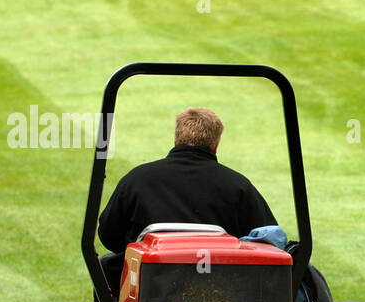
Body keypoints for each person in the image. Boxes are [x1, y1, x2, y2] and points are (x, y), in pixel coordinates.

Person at [97, 107, 277, 253]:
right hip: (221, 289)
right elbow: (267, 240)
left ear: (176, 140)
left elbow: (109, 237)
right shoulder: (239, 186)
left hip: (149, 291)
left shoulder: (136, 179)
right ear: (216, 146)